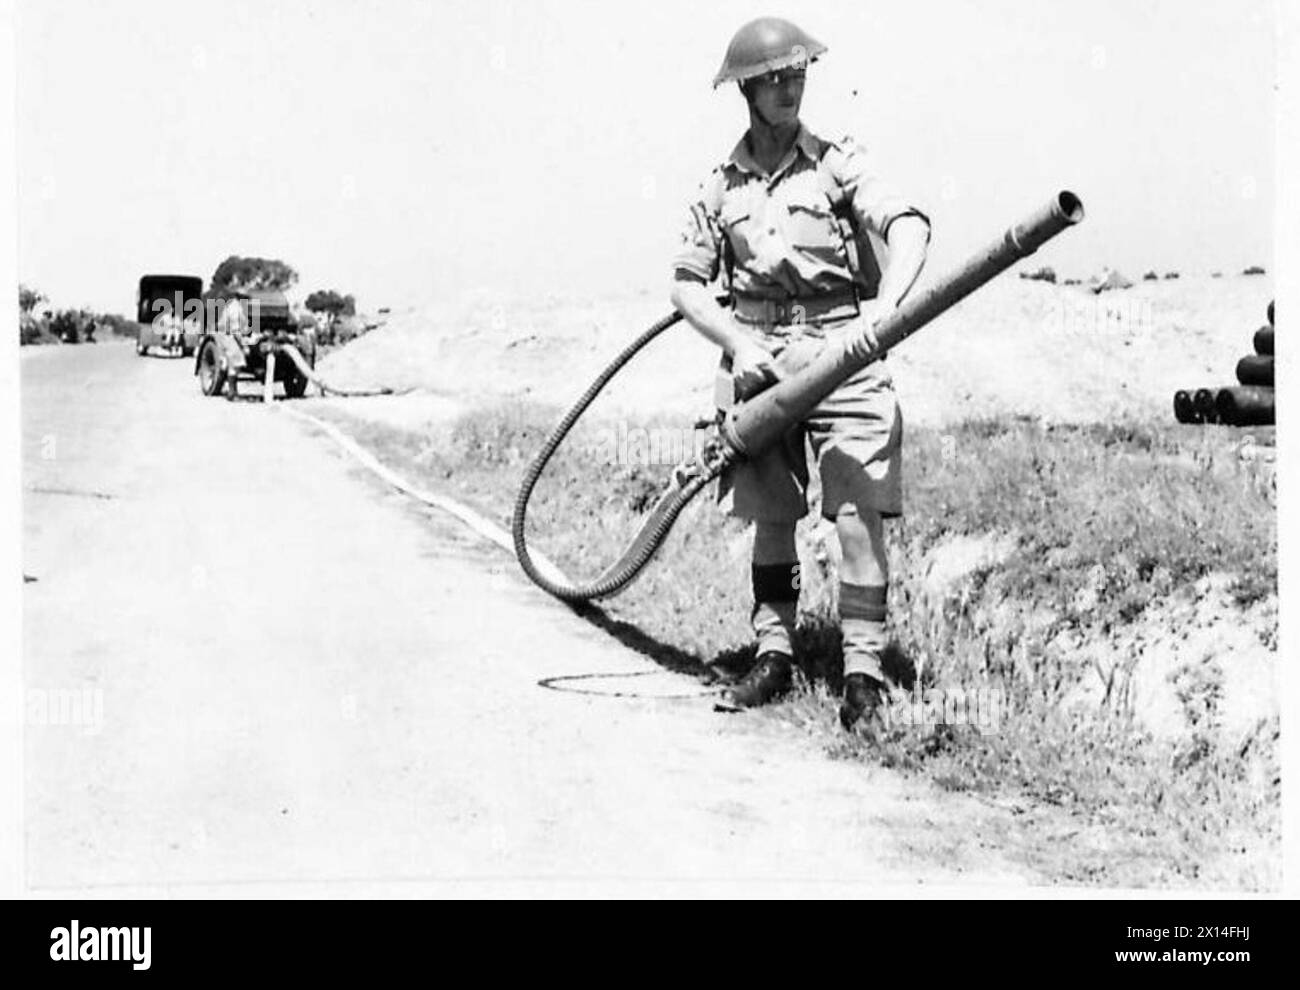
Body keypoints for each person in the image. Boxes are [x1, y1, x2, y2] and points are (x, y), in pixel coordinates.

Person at [671, 17, 931, 730]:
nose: (788, 87)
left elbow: (908, 224)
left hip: (843, 349)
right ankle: (775, 655)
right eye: (773, 78)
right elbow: (687, 285)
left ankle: (863, 675)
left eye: (797, 74)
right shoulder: (718, 188)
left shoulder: (837, 163)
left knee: (858, 514)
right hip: (758, 355)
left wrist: (882, 310)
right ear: (745, 89)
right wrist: (737, 342)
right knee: (770, 516)